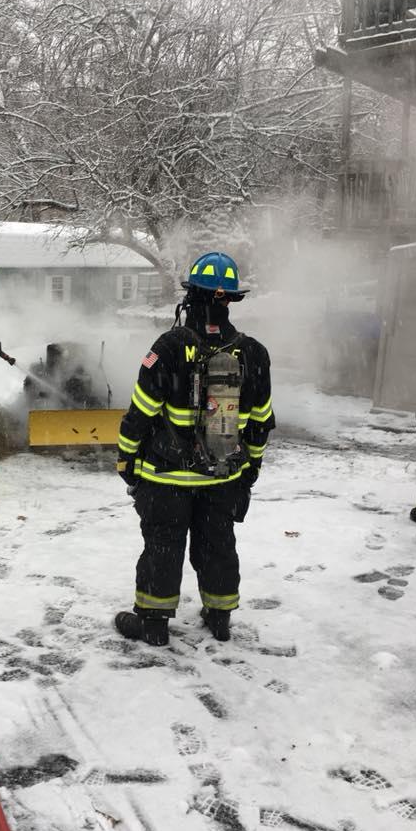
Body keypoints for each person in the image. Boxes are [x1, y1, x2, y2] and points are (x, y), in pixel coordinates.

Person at [114, 252, 275, 644]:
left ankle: (153, 624)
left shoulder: (169, 347)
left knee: (164, 545)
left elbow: (142, 412)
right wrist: (250, 468)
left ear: (190, 297)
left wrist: (126, 458)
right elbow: (259, 421)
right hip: (223, 475)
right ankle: (219, 618)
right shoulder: (252, 352)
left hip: (166, 475)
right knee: (218, 543)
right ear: (231, 299)